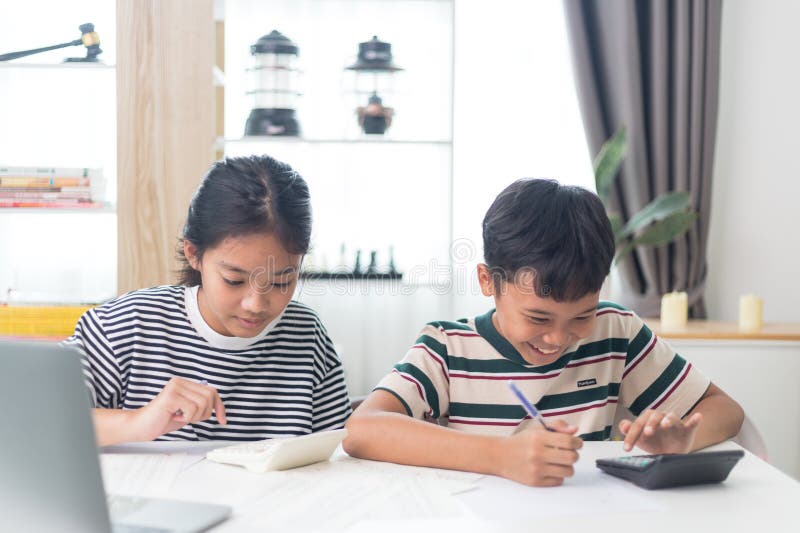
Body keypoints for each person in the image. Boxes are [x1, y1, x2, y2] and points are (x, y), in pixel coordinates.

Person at [343, 178, 744, 487]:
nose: (557, 338)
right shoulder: (447, 348)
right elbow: (362, 429)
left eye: (581, 316)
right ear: (487, 280)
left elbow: (725, 410)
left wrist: (682, 442)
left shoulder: (616, 333)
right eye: (538, 318)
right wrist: (500, 457)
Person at [64, 155, 351, 446]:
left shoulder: (307, 336)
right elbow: (42, 419)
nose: (256, 304)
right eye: (234, 280)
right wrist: (138, 422)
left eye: (281, 282)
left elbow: (339, 450)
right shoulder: (124, 326)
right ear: (194, 253)